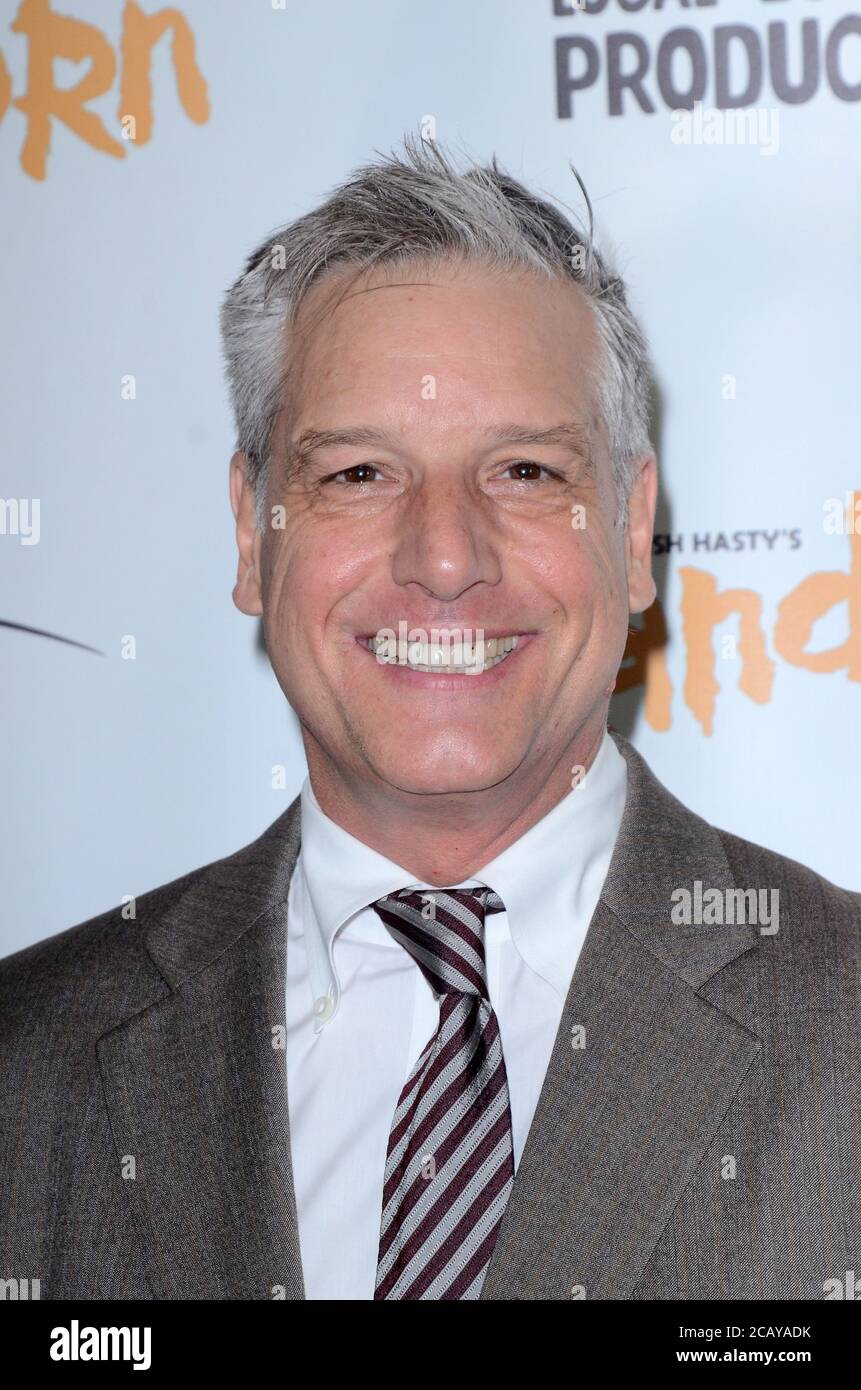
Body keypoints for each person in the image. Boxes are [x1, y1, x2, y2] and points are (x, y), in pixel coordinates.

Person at [2, 136, 859, 1301]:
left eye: (523, 471)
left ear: (630, 526)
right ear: (255, 535)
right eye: (358, 473)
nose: (445, 557)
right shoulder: (28, 1068)